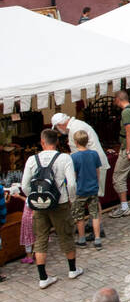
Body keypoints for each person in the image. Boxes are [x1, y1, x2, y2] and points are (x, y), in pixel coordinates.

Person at [21, 127, 82, 288]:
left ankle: (43, 278)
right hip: (59, 203)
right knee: (66, 235)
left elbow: (24, 185)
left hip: (39, 205)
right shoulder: (64, 158)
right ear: (57, 142)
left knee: (40, 239)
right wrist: (71, 199)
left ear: (42, 142)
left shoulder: (32, 160)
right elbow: (72, 183)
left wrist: (33, 199)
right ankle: (72, 269)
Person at [51, 111, 110, 200]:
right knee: (94, 196)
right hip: (93, 162)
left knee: (95, 196)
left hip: (92, 164)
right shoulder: (76, 125)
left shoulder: (75, 128)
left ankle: (96, 214)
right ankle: (96, 213)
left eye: (57, 127)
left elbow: (79, 153)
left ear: (60, 125)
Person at [110, 91, 130, 217]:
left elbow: (129, 133)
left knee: (118, 177)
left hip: (129, 147)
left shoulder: (126, 112)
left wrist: (127, 150)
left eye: (114, 99)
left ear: (118, 99)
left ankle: (124, 207)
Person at [71, 129, 104, 249]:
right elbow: (97, 171)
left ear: (75, 142)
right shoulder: (94, 154)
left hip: (80, 189)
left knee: (79, 216)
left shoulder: (74, 157)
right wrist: (96, 183)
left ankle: (82, 238)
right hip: (93, 188)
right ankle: (97, 238)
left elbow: (73, 175)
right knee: (94, 214)